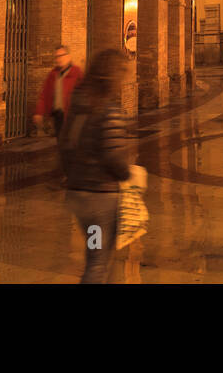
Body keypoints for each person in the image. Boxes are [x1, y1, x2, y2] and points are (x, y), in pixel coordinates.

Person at [58, 48, 133, 283]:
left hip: (78, 196)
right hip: (99, 199)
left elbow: (65, 146)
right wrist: (128, 172)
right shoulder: (109, 110)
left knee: (95, 254)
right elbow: (114, 158)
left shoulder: (79, 103)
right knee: (98, 261)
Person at [33, 45, 82, 136]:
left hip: (72, 116)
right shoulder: (53, 74)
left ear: (68, 56)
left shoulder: (76, 72)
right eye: (56, 56)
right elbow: (44, 94)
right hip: (58, 116)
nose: (59, 59)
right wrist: (39, 112)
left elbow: (84, 93)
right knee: (61, 142)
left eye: (61, 55)